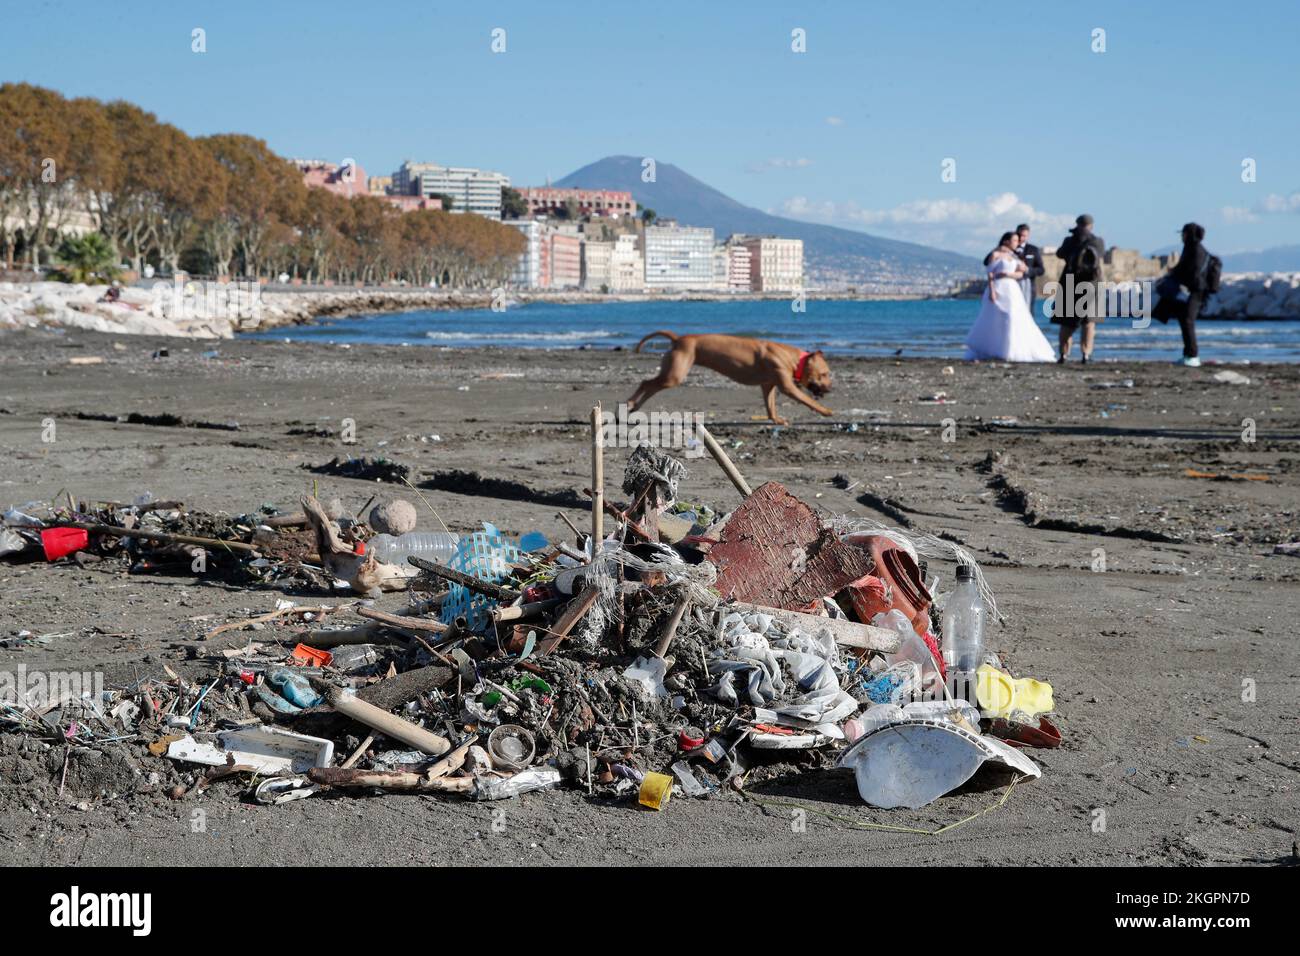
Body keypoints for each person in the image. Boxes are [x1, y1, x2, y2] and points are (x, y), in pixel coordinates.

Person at [965, 232, 1056, 362]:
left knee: (1013, 316)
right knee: (994, 318)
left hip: (1012, 289)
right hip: (998, 287)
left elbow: (1021, 273)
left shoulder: (1015, 256)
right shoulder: (995, 254)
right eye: (1014, 240)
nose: (1017, 243)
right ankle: (995, 348)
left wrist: (1009, 274)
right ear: (1006, 241)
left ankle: (1011, 349)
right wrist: (992, 290)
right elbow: (990, 274)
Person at [1153, 222, 1209, 367]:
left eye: (1183, 234)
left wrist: (1176, 274)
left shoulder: (1195, 250)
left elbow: (1192, 271)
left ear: (1188, 234)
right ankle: (1188, 355)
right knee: (1184, 321)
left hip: (1193, 291)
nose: (1181, 237)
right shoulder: (1190, 248)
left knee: (1187, 322)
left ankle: (1193, 356)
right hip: (1190, 290)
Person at [1052, 214, 1106, 363]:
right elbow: (1061, 254)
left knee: (1079, 322)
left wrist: (1077, 239)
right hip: (1081, 283)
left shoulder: (1088, 241)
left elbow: (1061, 253)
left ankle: (1074, 354)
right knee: (1077, 323)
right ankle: (1075, 354)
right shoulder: (1079, 241)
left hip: (1081, 282)